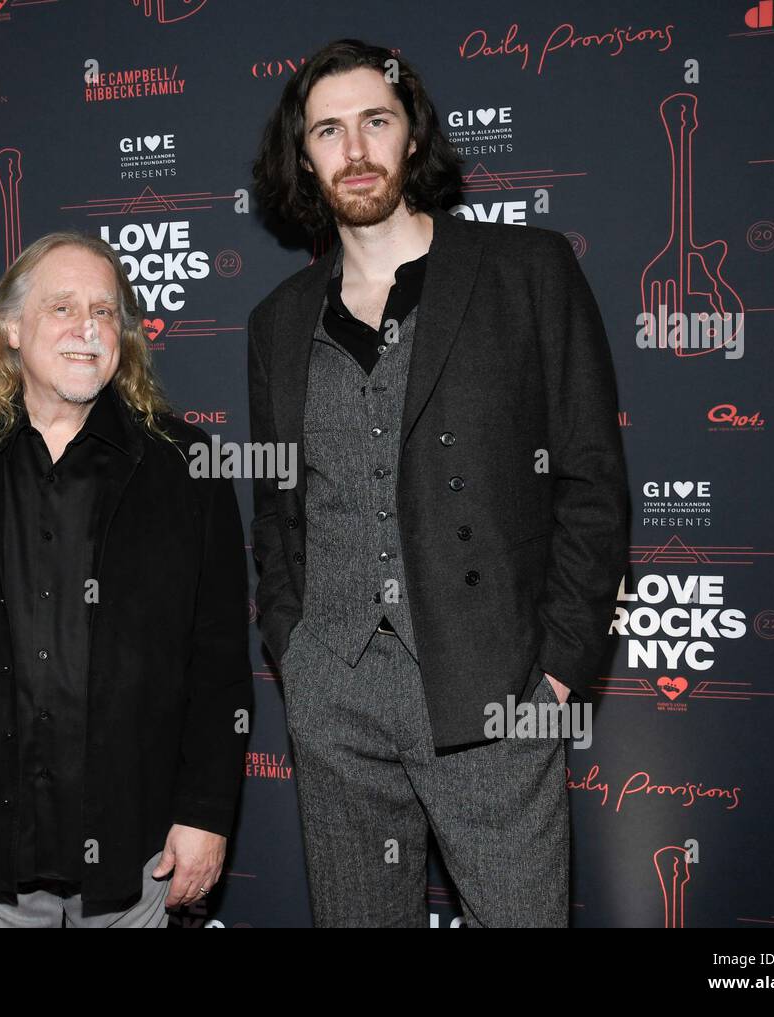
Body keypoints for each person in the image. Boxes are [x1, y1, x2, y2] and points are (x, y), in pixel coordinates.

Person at [247, 38, 630, 927]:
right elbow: (278, 505)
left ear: (411, 134)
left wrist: (560, 677)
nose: (354, 150)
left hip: (494, 689)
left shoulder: (526, 272)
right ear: (303, 157)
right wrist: (294, 647)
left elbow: (592, 483)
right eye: (328, 130)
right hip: (335, 693)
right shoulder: (277, 323)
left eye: (375, 121)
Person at [0, 231, 252, 927]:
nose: (87, 328)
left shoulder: (187, 465)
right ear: (10, 326)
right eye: (62, 307)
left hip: (139, 850)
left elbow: (218, 658)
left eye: (105, 312)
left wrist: (205, 813)